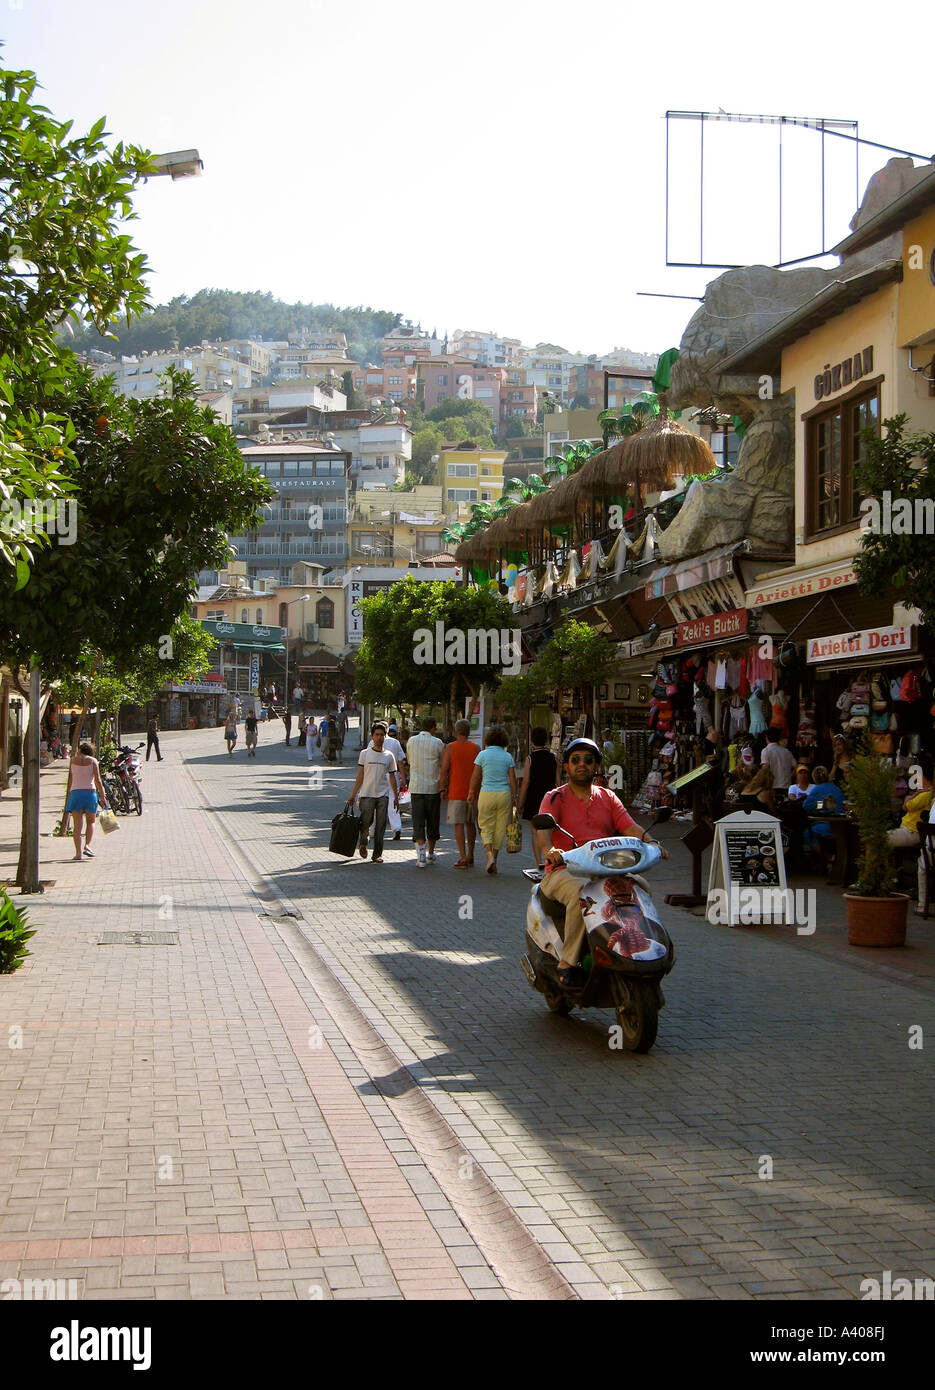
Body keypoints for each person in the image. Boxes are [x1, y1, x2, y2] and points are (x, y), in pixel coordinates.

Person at [538, 737, 667, 985]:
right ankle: (567, 961)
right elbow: (543, 836)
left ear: (596, 765)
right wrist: (551, 849)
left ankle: (650, 951)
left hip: (606, 868)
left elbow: (630, 826)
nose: (582, 764)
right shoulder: (554, 798)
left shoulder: (608, 797)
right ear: (566, 766)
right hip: (565, 870)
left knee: (641, 888)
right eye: (575, 760)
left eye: (588, 760)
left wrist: (653, 843)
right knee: (582, 894)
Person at [466, 726, 518, 875]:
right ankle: (494, 859)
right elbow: (512, 779)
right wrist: (515, 797)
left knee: (485, 825)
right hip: (504, 794)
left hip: (487, 793)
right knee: (500, 828)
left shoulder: (482, 755)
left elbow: (475, 776)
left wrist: (470, 792)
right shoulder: (507, 756)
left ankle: (489, 855)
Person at [345, 722, 399, 864]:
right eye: (377, 735)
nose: (379, 737)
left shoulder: (389, 756)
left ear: (385, 736)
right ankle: (363, 842)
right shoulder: (365, 754)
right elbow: (360, 776)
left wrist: (396, 796)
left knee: (381, 825)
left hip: (383, 795)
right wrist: (353, 795)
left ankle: (377, 854)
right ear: (372, 736)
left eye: (382, 735)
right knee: (365, 823)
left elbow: (392, 777)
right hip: (367, 794)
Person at [517, 726, 557, 879]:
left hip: (534, 798)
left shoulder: (530, 758)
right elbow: (558, 781)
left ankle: (538, 861)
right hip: (550, 798)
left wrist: (520, 802)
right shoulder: (553, 757)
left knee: (534, 831)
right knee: (550, 831)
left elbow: (526, 782)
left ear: (532, 740)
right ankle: (550, 859)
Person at [406, 716, 445, 867]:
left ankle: (420, 855)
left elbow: (410, 761)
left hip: (416, 787)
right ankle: (430, 852)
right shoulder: (437, 743)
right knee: (432, 821)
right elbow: (442, 763)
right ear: (433, 728)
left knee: (418, 821)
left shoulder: (411, 741)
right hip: (432, 788)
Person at [440, 719, 478, 869]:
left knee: (458, 825)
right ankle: (471, 855)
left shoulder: (450, 748)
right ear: (469, 732)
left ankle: (462, 857)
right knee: (471, 824)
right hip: (473, 792)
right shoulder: (476, 748)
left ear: (456, 732)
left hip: (456, 791)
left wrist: (442, 789)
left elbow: (444, 771)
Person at [66, 741, 108, 860]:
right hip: (90, 793)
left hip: (75, 793)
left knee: (77, 826)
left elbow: (72, 777)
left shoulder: (72, 760)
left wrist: (69, 793)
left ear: (80, 750)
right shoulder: (93, 761)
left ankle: (78, 854)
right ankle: (87, 846)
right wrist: (103, 796)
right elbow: (98, 780)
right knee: (91, 822)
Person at [889, 754, 934, 852]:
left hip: (912, 832)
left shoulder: (926, 794)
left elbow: (906, 806)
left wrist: (917, 793)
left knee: (878, 840)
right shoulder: (926, 792)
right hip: (910, 831)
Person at [371, 722, 406, 840]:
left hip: (377, 776)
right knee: (393, 802)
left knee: (375, 802)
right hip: (393, 775)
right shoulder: (395, 743)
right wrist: (403, 778)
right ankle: (396, 828)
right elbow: (400, 761)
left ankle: (372, 830)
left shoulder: (372, 741)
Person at [802, 764, 845, 848]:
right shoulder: (837, 788)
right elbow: (841, 804)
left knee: (807, 834)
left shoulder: (817, 789)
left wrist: (820, 805)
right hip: (841, 826)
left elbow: (806, 806)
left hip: (826, 825)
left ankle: (824, 857)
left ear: (814, 778)